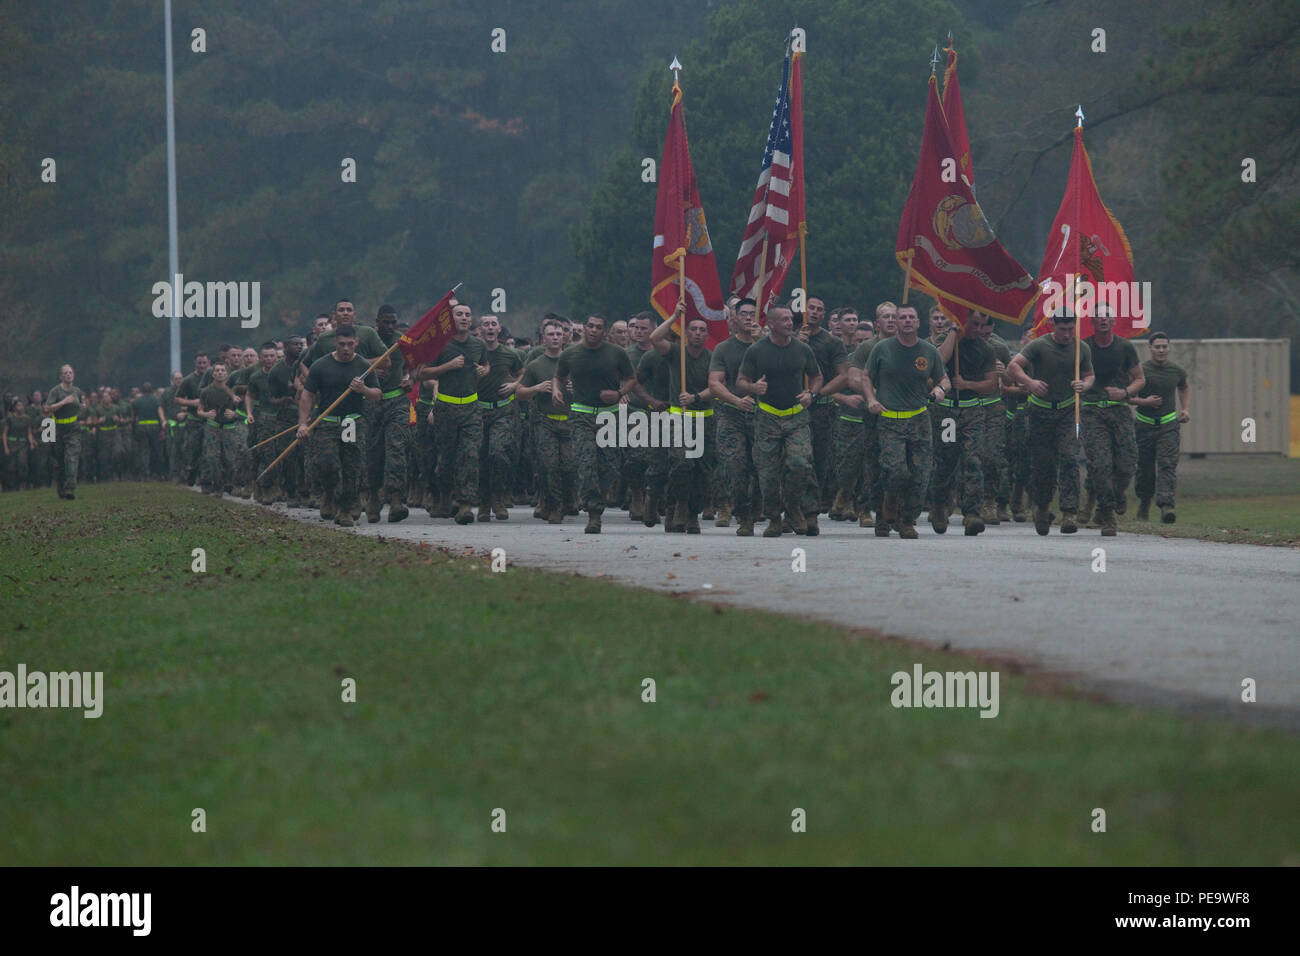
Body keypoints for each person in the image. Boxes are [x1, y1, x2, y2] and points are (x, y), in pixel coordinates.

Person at [863, 304, 949, 538]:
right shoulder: (882, 348)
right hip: (890, 420)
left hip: (919, 419)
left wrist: (941, 389)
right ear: (896, 323)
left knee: (920, 474)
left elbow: (943, 378)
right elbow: (866, 377)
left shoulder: (928, 350)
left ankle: (907, 520)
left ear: (918, 322)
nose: (907, 321)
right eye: (903, 317)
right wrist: (871, 399)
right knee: (896, 470)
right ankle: (887, 508)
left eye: (912, 317)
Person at [737, 304, 822, 537]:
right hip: (767, 417)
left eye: (790, 319)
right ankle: (774, 517)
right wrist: (753, 387)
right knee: (767, 472)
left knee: (800, 463)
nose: (789, 323)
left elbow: (816, 376)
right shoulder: (756, 350)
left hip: (796, 416)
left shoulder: (802, 349)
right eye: (783, 320)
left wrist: (811, 394)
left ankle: (793, 506)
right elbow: (741, 381)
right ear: (771, 324)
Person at [1007, 311, 1095, 535]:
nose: (1066, 334)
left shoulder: (1081, 348)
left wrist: (1084, 385)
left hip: (1068, 412)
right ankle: (1042, 507)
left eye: (1070, 329)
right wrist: (1029, 382)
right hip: (1040, 413)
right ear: (1053, 326)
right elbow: (1013, 367)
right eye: (1062, 329)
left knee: (1069, 459)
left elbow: (1089, 375)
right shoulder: (1039, 346)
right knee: (1043, 465)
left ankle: (1069, 512)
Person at [552, 314, 636, 534]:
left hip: (609, 416)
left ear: (604, 331)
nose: (593, 330)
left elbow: (631, 379)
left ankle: (598, 499)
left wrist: (619, 393)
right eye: (590, 326)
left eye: (598, 327)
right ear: (585, 328)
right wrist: (556, 390)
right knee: (586, 464)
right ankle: (593, 512)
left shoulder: (616, 353)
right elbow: (558, 376)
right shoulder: (570, 353)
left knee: (609, 467)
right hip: (581, 415)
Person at [298, 325, 381, 526]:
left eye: (350, 344)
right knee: (328, 465)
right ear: (335, 342)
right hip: (327, 422)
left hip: (352, 422)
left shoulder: (363, 366)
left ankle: (344, 509)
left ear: (356, 343)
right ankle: (329, 494)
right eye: (342, 344)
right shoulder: (320, 365)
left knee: (352, 467)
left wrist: (363, 389)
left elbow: (377, 394)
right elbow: (307, 394)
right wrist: (302, 424)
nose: (346, 348)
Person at [418, 302, 486, 524]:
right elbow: (423, 373)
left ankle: (466, 504)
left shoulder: (478, 344)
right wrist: (447, 366)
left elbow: (485, 365)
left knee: (470, 455)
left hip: (471, 407)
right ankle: (445, 497)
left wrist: (484, 371)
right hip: (446, 408)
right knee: (446, 458)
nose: (464, 318)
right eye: (459, 314)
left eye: (467, 314)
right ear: (451, 318)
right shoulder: (439, 344)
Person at [930, 312, 997, 535]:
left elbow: (991, 385)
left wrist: (968, 384)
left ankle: (972, 512)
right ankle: (939, 505)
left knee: (974, 460)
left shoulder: (985, 349)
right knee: (946, 459)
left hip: (972, 411)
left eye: (981, 325)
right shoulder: (945, 340)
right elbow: (938, 360)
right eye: (973, 324)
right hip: (947, 411)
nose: (977, 330)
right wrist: (953, 332)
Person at [649, 307, 715, 534]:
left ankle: (692, 515)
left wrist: (696, 397)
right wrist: (675, 316)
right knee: (680, 464)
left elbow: (716, 387)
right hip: (679, 419)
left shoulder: (712, 357)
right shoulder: (677, 353)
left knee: (702, 471)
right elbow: (655, 337)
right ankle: (677, 505)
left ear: (707, 335)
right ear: (686, 332)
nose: (698, 333)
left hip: (704, 420)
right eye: (693, 329)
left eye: (702, 330)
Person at [1080, 306, 1143, 535]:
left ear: (1113, 321)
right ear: (1093, 321)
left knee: (1127, 464)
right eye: (1099, 316)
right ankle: (1107, 515)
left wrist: (1125, 392)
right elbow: (1074, 376)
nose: (1103, 319)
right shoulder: (1083, 347)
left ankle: (1116, 495)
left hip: (1119, 411)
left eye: (1108, 315)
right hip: (1093, 412)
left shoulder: (1125, 347)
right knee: (1100, 465)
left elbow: (1139, 379)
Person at [708, 298, 759, 535]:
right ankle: (738, 512)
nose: (749, 318)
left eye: (753, 313)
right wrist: (737, 400)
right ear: (734, 318)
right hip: (731, 414)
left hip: (764, 416)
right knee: (734, 466)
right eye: (744, 314)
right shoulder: (724, 349)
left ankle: (769, 510)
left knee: (764, 468)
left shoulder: (769, 345)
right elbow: (715, 383)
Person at [516, 318, 573, 523]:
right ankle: (554, 505)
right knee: (548, 465)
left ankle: (565, 500)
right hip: (544, 422)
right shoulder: (535, 365)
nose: (556, 338)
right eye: (551, 334)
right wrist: (536, 388)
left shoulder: (572, 361)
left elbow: (590, 389)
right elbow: (519, 392)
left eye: (559, 334)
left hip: (570, 422)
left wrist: (577, 389)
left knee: (568, 466)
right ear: (543, 338)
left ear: (565, 337)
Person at [1131, 331, 1190, 523]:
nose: (1162, 350)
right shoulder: (1141, 371)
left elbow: (1184, 386)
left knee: (1167, 465)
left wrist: (1185, 409)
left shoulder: (1176, 371)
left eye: (1165, 346)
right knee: (1145, 469)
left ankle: (1166, 506)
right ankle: (1144, 504)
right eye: (1158, 347)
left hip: (1168, 425)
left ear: (1169, 348)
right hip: (1144, 426)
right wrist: (1145, 402)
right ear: (1150, 348)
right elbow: (1126, 395)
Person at [795, 295, 846, 514]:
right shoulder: (789, 337)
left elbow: (843, 376)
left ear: (824, 315)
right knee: (795, 459)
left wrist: (817, 393)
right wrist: (798, 343)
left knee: (818, 458)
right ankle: (792, 506)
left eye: (819, 309)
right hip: (793, 407)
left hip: (822, 408)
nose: (814, 312)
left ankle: (811, 508)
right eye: (811, 308)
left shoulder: (832, 342)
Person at [474, 314, 524, 521]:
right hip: (477, 411)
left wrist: (514, 385)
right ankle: (484, 502)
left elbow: (523, 373)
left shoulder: (510, 354)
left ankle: (499, 497)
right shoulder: (474, 352)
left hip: (503, 411)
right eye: (486, 324)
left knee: (498, 453)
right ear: (480, 329)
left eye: (494, 324)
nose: (490, 328)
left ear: (499, 329)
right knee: (480, 456)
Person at [368, 306, 412, 522]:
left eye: (393, 322)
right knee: (374, 454)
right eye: (385, 322)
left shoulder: (402, 341)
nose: (390, 327)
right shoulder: (367, 339)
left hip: (397, 401)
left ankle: (396, 499)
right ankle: (374, 497)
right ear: (377, 321)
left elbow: (414, 365)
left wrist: (409, 378)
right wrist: (371, 371)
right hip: (372, 403)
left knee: (396, 449)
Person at [243, 342, 281, 504]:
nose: (269, 359)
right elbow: (249, 396)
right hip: (264, 418)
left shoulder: (284, 372)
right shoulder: (256, 376)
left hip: (284, 418)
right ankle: (265, 488)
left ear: (276, 357)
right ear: (260, 358)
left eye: (272, 355)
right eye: (266, 356)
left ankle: (281, 488)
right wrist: (249, 413)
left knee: (282, 454)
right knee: (266, 454)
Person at [198, 363, 242, 495]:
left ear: (227, 374)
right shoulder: (206, 391)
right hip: (212, 427)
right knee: (212, 458)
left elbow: (245, 411)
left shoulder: (234, 391)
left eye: (222, 370)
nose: (220, 373)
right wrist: (206, 414)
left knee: (230, 459)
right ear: (213, 374)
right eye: (217, 370)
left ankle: (231, 484)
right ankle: (217, 487)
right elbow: (199, 410)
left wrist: (235, 414)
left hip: (230, 428)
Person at [43, 365, 85, 499]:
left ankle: (70, 489)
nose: (68, 375)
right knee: (60, 462)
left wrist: (82, 407)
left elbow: (80, 407)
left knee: (71, 458)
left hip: (73, 428)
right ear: (61, 376)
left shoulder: (77, 391)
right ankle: (61, 489)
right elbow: (47, 409)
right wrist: (64, 401)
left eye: (71, 372)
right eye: (65, 373)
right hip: (58, 429)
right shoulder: (55, 391)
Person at [130, 382, 167, 480]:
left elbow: (133, 418)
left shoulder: (136, 401)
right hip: (154, 427)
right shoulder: (157, 400)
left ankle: (145, 473)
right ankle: (159, 473)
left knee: (144, 451)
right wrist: (163, 426)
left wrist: (133, 428)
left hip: (141, 428)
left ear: (142, 390)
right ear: (152, 390)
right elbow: (160, 413)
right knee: (156, 451)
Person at [2, 399, 34, 491]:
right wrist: (6, 447)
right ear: (15, 407)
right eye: (19, 405)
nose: (21, 407)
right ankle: (12, 486)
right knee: (11, 466)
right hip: (11, 443)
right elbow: (5, 433)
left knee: (22, 463)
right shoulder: (10, 418)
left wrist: (31, 443)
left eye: (22, 405)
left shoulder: (27, 418)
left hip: (23, 443)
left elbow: (29, 433)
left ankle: (22, 484)